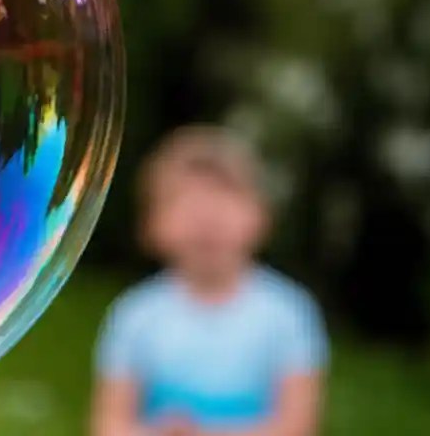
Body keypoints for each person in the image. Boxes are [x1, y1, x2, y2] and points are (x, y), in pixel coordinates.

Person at [91, 126, 328, 436]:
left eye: (225, 197)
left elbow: (297, 426)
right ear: (151, 225)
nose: (206, 217)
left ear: (261, 216)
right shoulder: (134, 314)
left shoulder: (289, 312)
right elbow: (108, 425)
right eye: (185, 200)